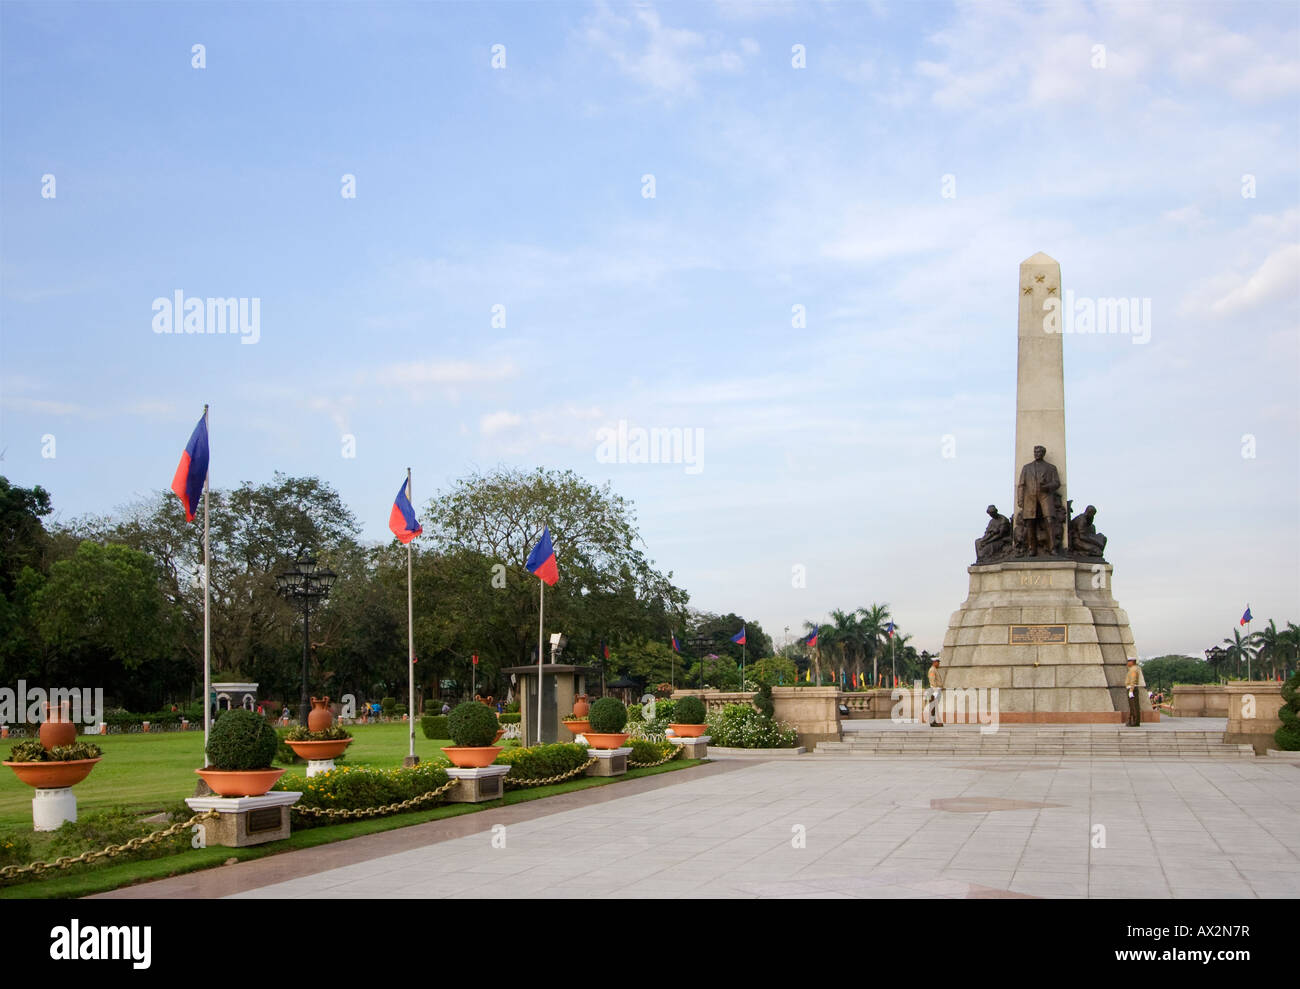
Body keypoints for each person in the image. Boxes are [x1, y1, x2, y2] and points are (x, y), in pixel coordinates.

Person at [1124, 658, 1141, 727]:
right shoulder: (1133, 669)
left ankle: (1135, 721)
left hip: (1132, 689)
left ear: (1132, 662)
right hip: (1131, 688)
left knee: (1134, 706)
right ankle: (1133, 721)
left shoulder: (1133, 670)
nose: (1127, 663)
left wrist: (1131, 691)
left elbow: (1133, 681)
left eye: (1128, 661)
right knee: (1133, 705)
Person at [927, 658, 944, 727]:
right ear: (934, 662)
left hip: (935, 690)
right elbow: (932, 681)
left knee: (934, 707)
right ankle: (932, 722)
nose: (939, 664)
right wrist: (935, 691)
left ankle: (933, 721)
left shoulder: (934, 669)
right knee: (933, 707)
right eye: (938, 662)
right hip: (934, 690)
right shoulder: (932, 670)